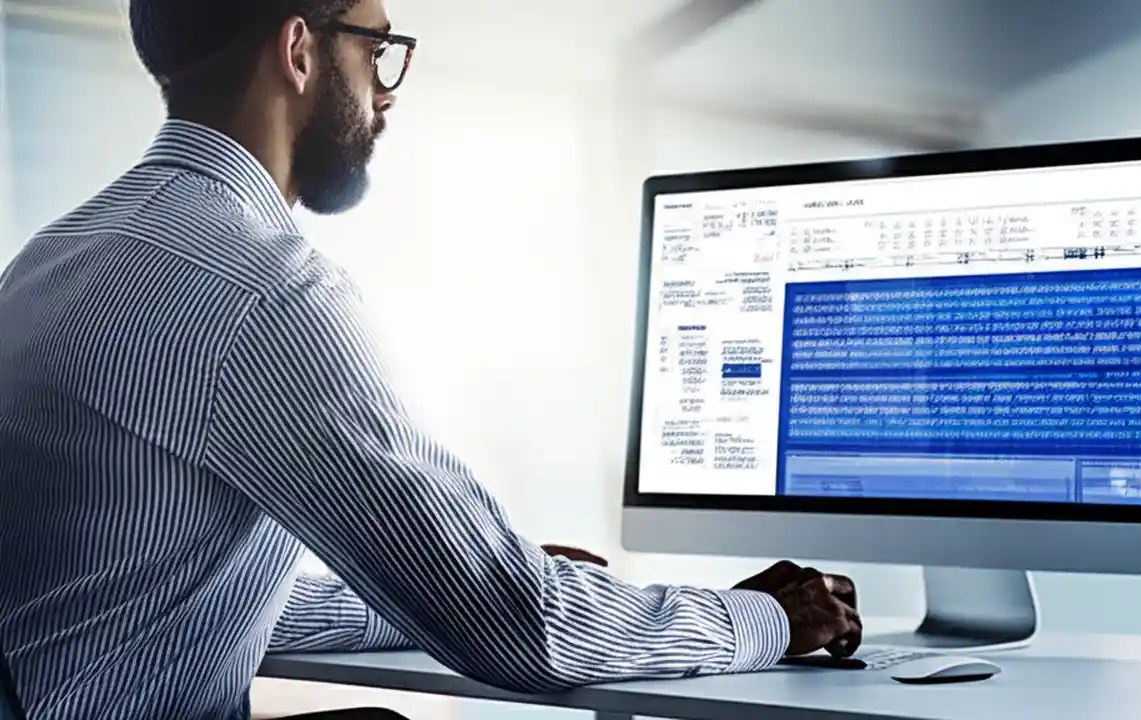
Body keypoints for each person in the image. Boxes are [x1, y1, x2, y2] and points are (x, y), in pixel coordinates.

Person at [0, 0, 863, 718]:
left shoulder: (56, 257)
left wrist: (422, 581)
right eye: (377, 50)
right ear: (299, 52)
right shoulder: (262, 290)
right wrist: (765, 618)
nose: (387, 90)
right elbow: (519, 626)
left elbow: (156, 600)